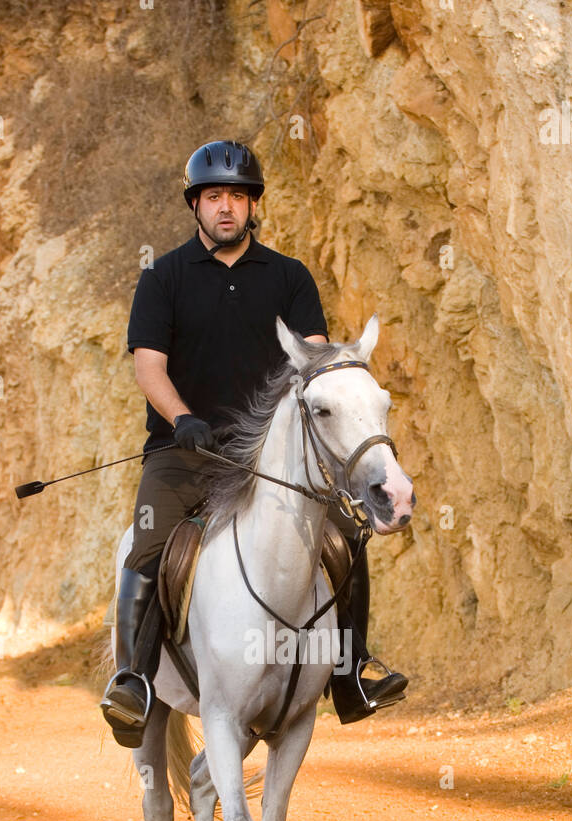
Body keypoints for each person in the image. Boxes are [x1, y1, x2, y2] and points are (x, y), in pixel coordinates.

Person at [100, 139, 408, 747]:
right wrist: (183, 418)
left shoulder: (290, 277)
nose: (226, 208)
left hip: (271, 461)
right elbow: (148, 368)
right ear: (195, 205)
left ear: (253, 205)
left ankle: (351, 672)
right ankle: (134, 678)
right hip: (183, 453)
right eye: (214, 196)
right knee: (149, 541)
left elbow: (314, 360)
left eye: (237, 197)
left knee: (347, 535)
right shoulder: (162, 277)